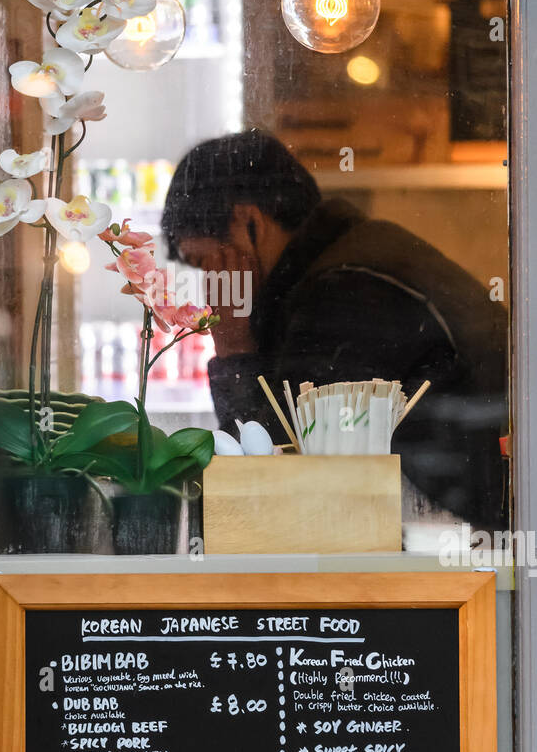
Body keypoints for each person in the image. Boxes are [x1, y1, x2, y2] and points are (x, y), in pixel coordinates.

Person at [161, 129, 508, 530]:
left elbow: (273, 477)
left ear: (248, 220)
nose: (210, 288)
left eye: (205, 263)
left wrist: (235, 345)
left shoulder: (343, 292)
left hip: (457, 549)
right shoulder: (354, 259)